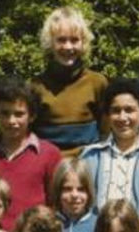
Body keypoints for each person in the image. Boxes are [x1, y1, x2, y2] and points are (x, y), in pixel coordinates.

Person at [0, 76, 63, 232]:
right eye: (4, 113)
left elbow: (56, 205)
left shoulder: (49, 154)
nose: (11, 121)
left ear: (32, 116)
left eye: (19, 114)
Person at [80, 78, 139, 217]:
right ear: (108, 115)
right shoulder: (90, 156)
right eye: (116, 111)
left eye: (129, 110)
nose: (122, 118)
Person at [30, 6, 109, 157]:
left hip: (88, 167)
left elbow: (106, 133)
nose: (68, 47)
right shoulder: (35, 87)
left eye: (74, 40)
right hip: (49, 167)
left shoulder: (97, 83)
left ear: (83, 42)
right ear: (50, 43)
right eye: (61, 40)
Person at [48, 157, 97, 232]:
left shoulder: (99, 225)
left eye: (81, 189)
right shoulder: (48, 223)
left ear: (89, 192)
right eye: (67, 189)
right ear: (58, 191)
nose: (75, 195)